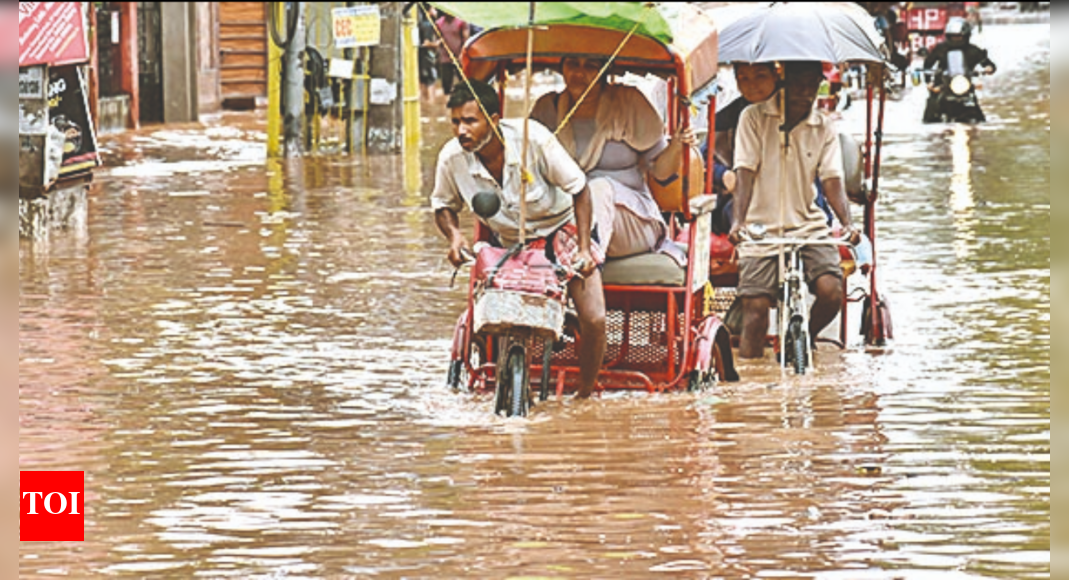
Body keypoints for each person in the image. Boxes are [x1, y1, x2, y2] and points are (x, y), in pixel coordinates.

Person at [432, 80, 607, 399]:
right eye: (456, 121)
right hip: (509, 242)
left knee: (594, 316)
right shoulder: (451, 158)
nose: (461, 130)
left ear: (494, 119)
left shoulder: (534, 139)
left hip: (562, 230)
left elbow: (580, 190)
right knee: (494, 309)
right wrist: (454, 237)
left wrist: (583, 249)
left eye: (470, 121)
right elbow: (443, 204)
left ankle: (585, 393)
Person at [728, 61, 862, 360]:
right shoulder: (753, 117)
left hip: (808, 225)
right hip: (760, 226)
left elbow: (832, 179)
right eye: (798, 85)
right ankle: (750, 394)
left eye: (812, 86)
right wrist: (738, 222)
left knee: (832, 292)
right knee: (755, 312)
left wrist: (848, 223)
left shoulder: (823, 125)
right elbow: (744, 173)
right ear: (783, 82)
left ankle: (804, 341)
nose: (805, 93)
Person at [530, 57, 693, 263]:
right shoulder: (546, 109)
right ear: (561, 67)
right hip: (564, 217)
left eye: (590, 66)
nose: (579, 73)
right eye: (572, 64)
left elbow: (662, 173)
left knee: (597, 189)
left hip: (633, 221)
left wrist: (678, 143)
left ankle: (585, 259)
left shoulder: (629, 102)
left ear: (605, 71)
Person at [922, 17, 997, 123]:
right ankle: (932, 133)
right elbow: (927, 65)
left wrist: (988, 68)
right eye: (953, 37)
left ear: (966, 36)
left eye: (959, 37)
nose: (956, 39)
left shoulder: (973, 50)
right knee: (931, 110)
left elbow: (988, 63)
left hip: (965, 85)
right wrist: (929, 82)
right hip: (943, 85)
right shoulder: (940, 48)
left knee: (980, 119)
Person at [434, 12, 470, 97]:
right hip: (445, 57)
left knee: (464, 81)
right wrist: (435, 45)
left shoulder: (461, 22)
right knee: (446, 83)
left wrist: (462, 54)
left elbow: (465, 39)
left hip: (459, 56)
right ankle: (448, 102)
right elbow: (438, 38)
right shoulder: (439, 23)